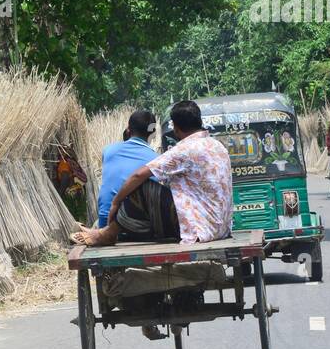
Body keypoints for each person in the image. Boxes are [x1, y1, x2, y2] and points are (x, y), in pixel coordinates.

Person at [74, 100, 233, 247]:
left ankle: (109, 233)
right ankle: (107, 231)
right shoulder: (218, 146)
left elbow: (137, 176)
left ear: (176, 128)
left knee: (141, 186)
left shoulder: (184, 149)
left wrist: (115, 203)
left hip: (199, 228)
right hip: (220, 227)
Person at [95, 109, 157, 227]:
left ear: (128, 129)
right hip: (137, 226)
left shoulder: (108, 151)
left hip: (106, 221)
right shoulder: (157, 159)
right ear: (153, 133)